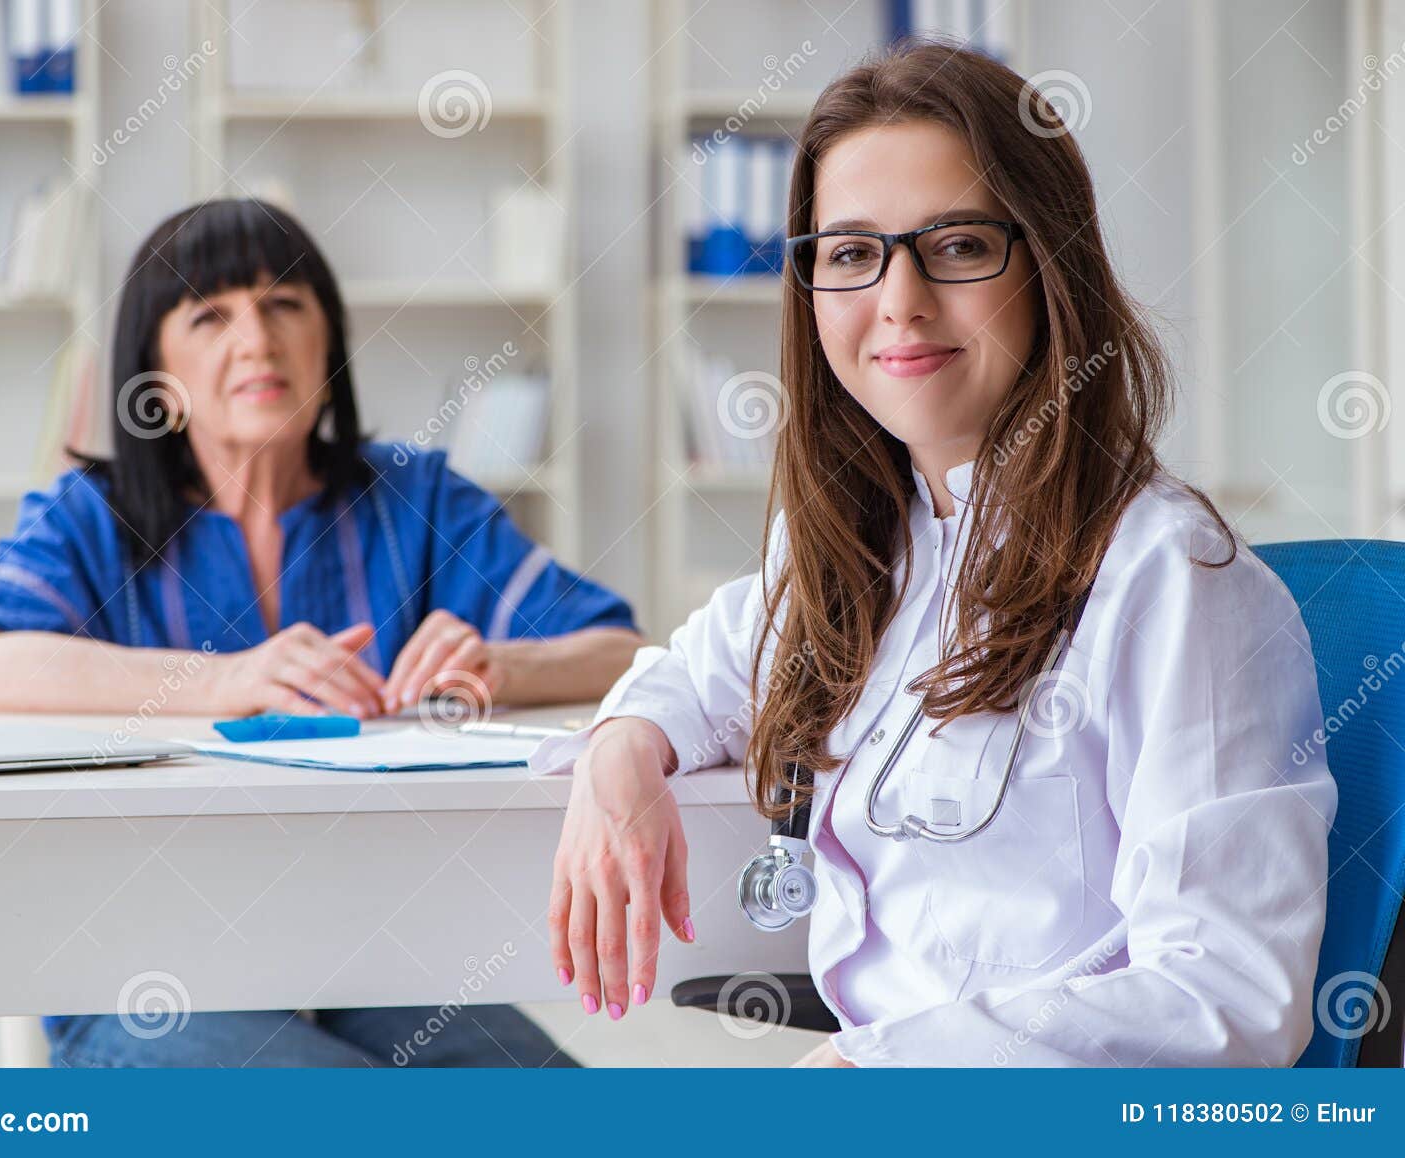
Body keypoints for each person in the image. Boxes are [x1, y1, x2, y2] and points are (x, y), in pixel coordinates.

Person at [537, 41, 1337, 1066]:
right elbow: (694, 674)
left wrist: (876, 1070)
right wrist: (619, 756)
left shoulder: (1168, 580)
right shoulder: (861, 544)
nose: (899, 300)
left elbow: (1225, 999)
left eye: (956, 246)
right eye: (851, 254)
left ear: (1051, 267)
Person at [0, 198, 643, 1067]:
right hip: (142, 971)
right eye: (210, 315)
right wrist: (223, 681)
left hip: (379, 964)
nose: (257, 341)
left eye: (284, 305)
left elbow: (624, 652)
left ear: (327, 342)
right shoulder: (91, 517)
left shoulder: (414, 500)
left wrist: (500, 662)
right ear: (155, 367)